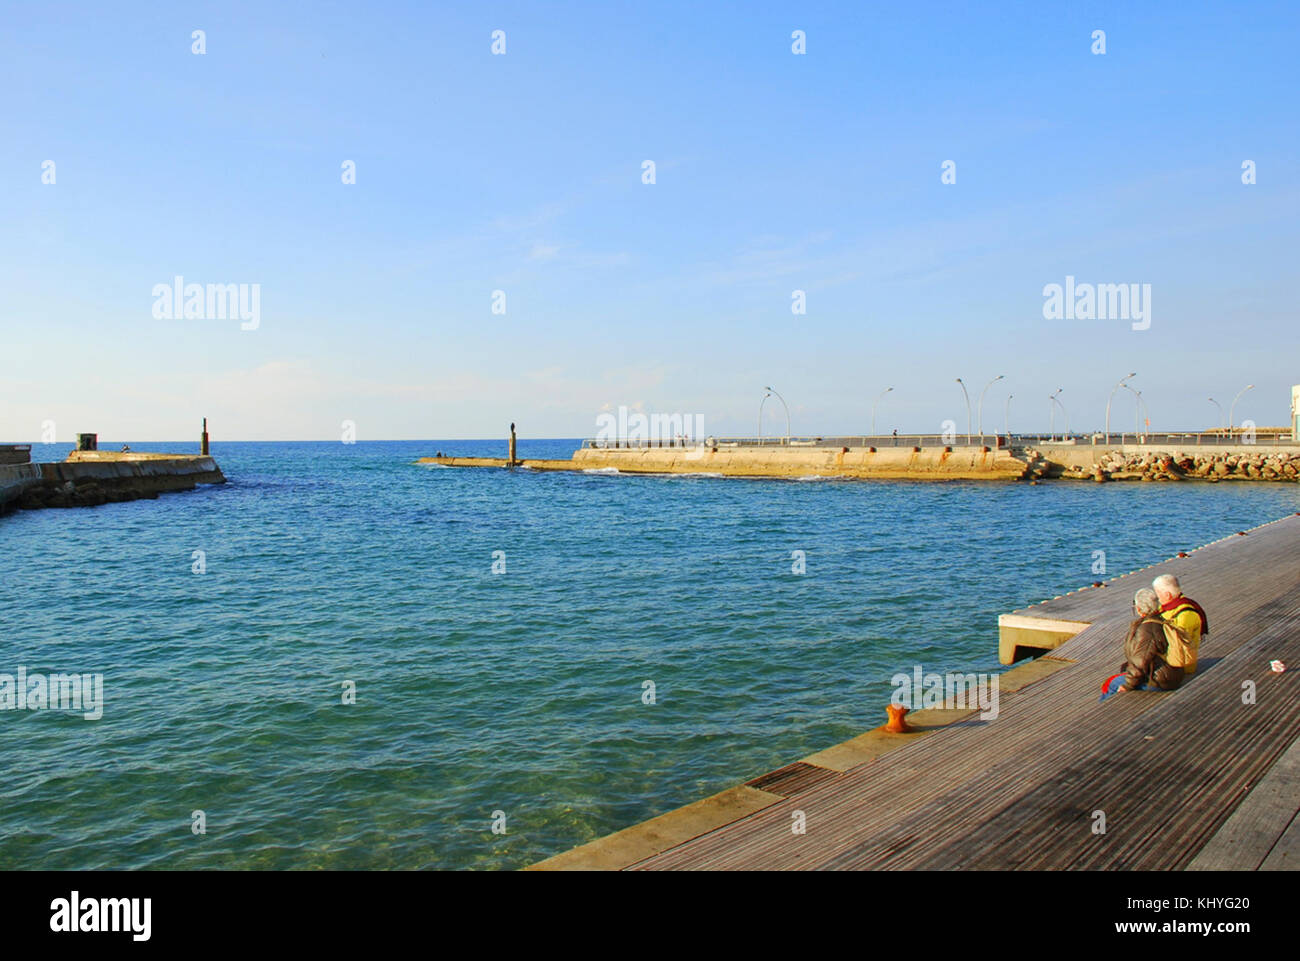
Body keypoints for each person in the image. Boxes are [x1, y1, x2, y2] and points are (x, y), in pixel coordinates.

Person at [1153, 574, 1207, 676]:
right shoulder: (1167, 607)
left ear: (1167, 595)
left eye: (1157, 593)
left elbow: (1178, 646)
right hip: (1170, 660)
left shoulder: (1185, 614)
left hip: (1180, 666)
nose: (1156, 598)